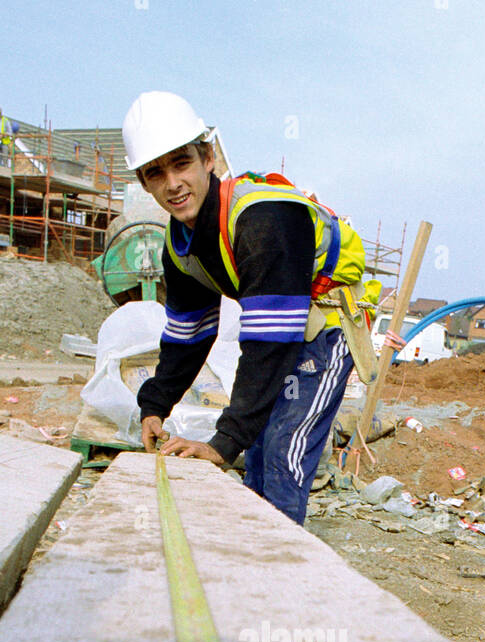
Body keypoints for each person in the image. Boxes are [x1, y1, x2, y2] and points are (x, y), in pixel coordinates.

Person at [122, 90, 366, 526]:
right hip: (283, 330)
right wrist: (154, 406)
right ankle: (253, 551)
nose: (173, 183)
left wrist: (222, 442)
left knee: (282, 448)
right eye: (156, 173)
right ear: (144, 182)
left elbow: (270, 341)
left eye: (181, 164)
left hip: (325, 327)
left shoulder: (262, 217)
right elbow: (188, 336)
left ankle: (279, 567)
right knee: (255, 449)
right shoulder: (180, 247)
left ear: (208, 158)